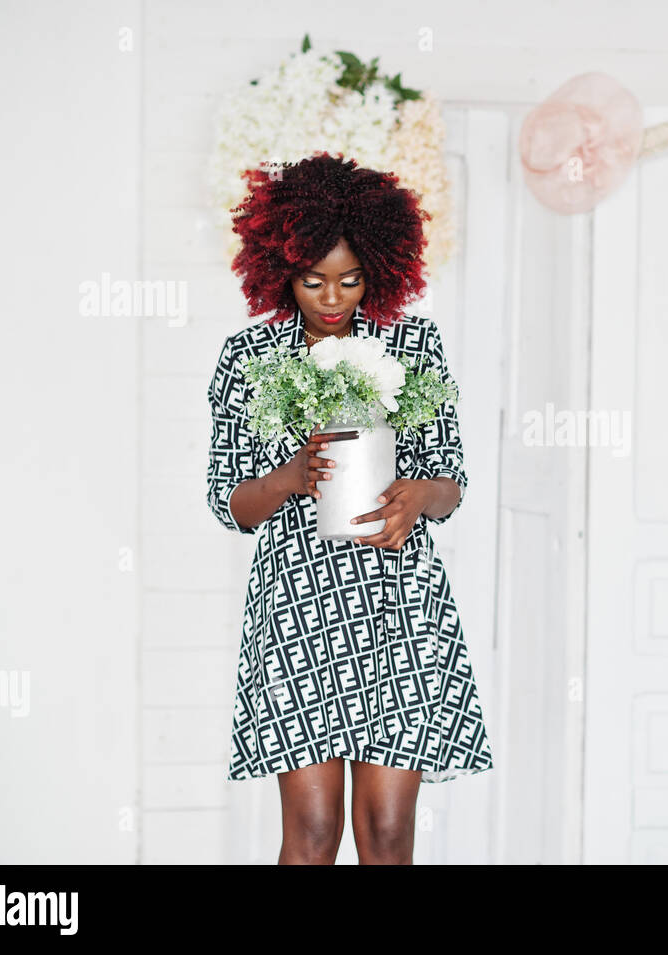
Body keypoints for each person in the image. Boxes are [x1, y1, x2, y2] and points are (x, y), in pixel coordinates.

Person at [205, 152, 493, 864]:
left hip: (396, 600)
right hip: (298, 607)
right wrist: (291, 477)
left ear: (379, 270)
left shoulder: (414, 345)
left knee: (390, 834)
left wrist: (416, 498)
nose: (332, 297)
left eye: (350, 278)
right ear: (282, 271)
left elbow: (451, 480)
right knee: (310, 834)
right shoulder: (249, 357)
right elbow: (230, 502)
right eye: (313, 279)